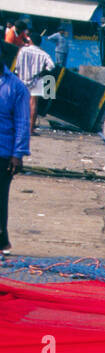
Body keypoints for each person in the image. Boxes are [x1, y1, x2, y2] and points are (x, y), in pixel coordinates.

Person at [0, 61, 30, 256]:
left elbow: (22, 121)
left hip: (4, 152)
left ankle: (2, 240)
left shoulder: (16, 86)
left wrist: (18, 154)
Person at [14, 39, 53, 136]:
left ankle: (19, 129)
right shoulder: (43, 54)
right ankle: (31, 130)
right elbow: (51, 66)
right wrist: (43, 70)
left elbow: (17, 66)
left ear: (31, 41)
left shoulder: (22, 50)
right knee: (33, 104)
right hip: (37, 79)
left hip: (22, 79)